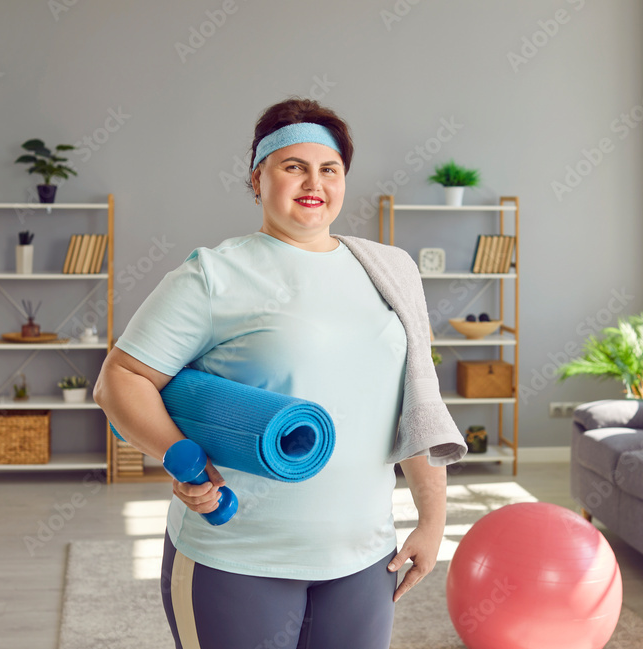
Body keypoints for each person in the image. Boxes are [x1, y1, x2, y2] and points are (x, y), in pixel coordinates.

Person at [93, 97, 448, 649]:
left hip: (363, 556)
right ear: (258, 179)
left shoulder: (389, 272)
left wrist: (432, 520)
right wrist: (183, 459)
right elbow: (119, 379)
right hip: (237, 554)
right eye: (293, 166)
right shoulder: (214, 275)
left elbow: (418, 405)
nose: (314, 182)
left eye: (329, 169)